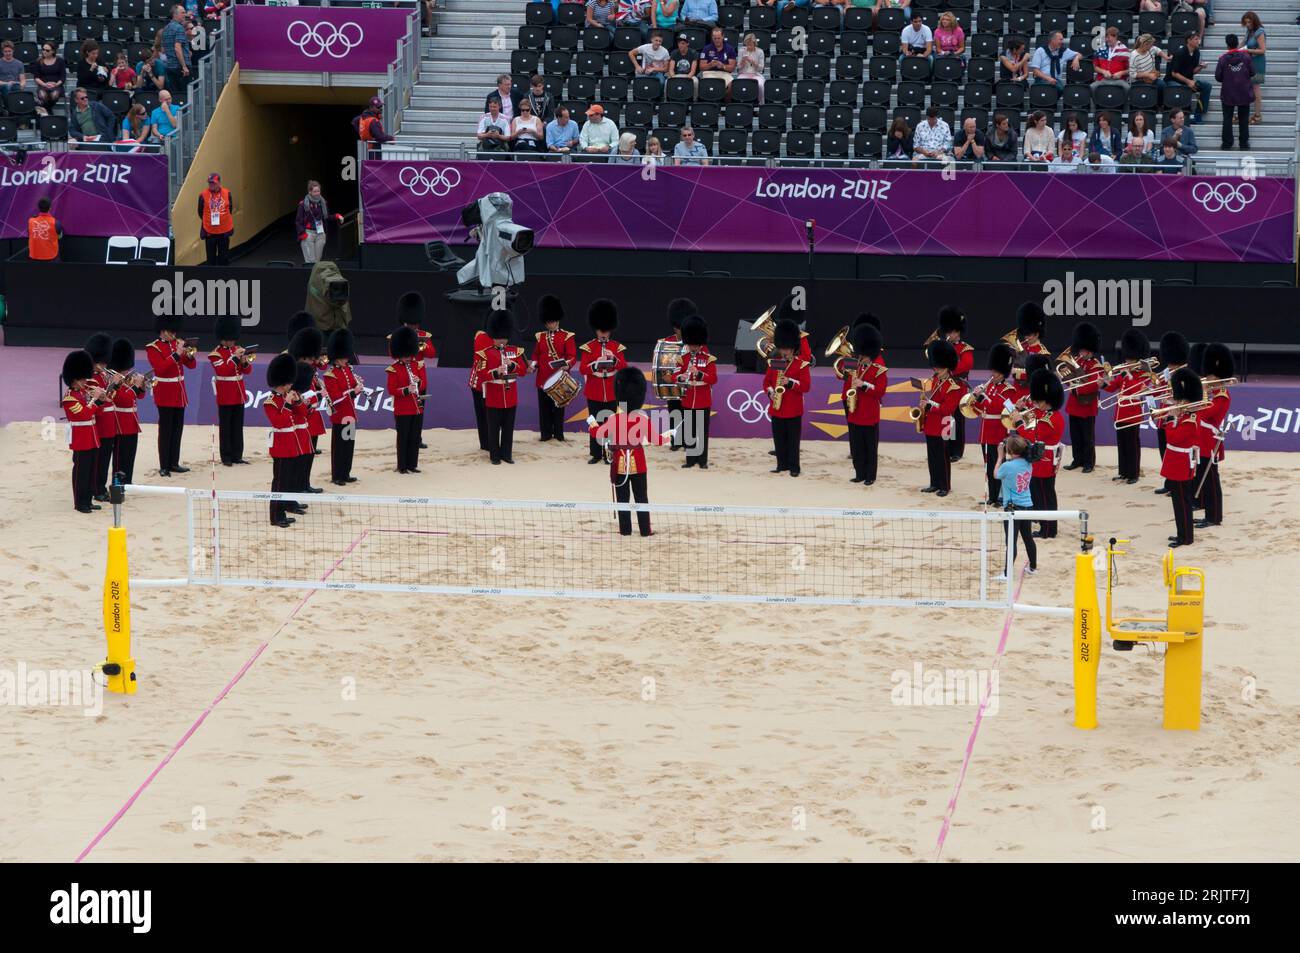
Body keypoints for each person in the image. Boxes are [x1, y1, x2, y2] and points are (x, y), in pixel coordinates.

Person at [589, 367, 675, 537]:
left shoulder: (614, 419)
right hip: (639, 464)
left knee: (623, 500)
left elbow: (598, 434)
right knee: (641, 498)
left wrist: (592, 423)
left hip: (619, 464)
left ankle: (625, 530)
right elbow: (656, 440)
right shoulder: (642, 419)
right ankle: (645, 530)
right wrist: (670, 436)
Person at [1014, 368, 1065, 539]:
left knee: (1045, 496)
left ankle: (1049, 529)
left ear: (1048, 400)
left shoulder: (1052, 418)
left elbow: (1033, 436)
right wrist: (1021, 406)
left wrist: (1019, 423)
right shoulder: (1043, 412)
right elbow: (1034, 412)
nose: (1036, 403)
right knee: (1038, 493)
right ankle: (1042, 521)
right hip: (1038, 459)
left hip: (1044, 460)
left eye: (1039, 400)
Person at [476, 310, 530, 465]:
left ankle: (507, 454)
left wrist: (512, 365)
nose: (502, 341)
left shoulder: (514, 351)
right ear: (493, 337)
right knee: (493, 429)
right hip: (494, 396)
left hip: (510, 396)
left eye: (504, 337)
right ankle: (494, 456)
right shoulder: (484, 354)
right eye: (499, 337)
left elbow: (523, 372)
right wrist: (495, 372)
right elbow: (481, 374)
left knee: (508, 428)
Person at [146, 314, 195, 477]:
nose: (173, 334)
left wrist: (188, 354)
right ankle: (164, 465)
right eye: (169, 331)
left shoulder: (177, 343)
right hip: (165, 391)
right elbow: (160, 369)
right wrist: (176, 354)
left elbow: (192, 366)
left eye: (174, 331)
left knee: (177, 429)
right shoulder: (153, 347)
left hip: (179, 391)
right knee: (166, 429)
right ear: (162, 331)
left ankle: (174, 462)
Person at [580, 299, 629, 463]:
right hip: (594, 391)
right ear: (596, 330)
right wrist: (595, 364)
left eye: (606, 331)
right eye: (601, 330)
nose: (603, 334)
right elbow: (583, 369)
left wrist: (613, 359)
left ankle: (610, 454)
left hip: (612, 391)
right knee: (595, 423)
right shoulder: (588, 347)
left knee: (611, 425)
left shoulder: (617, 347)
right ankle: (596, 453)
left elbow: (623, 367)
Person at [970, 343, 1018, 506]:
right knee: (988, 466)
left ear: (1003, 372)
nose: (993, 374)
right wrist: (974, 399)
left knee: (999, 465)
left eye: (997, 372)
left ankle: (1001, 496)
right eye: (993, 371)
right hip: (985, 431)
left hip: (998, 432)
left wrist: (983, 398)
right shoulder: (988, 386)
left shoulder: (1008, 390)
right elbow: (980, 409)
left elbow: (1001, 408)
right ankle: (992, 496)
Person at [1159, 368, 1203, 547]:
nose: (1177, 402)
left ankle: (1186, 537)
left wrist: (1171, 419)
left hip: (1181, 463)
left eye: (1179, 400)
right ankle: (1181, 533)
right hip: (1176, 462)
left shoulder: (1190, 419)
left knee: (1182, 502)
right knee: (1178, 501)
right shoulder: (1185, 415)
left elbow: (1174, 438)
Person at [838, 323, 887, 485]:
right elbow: (842, 374)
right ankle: (859, 473)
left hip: (869, 413)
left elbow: (880, 391)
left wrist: (863, 385)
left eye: (864, 355)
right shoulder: (855, 364)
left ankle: (870, 476)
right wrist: (844, 372)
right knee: (857, 446)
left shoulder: (879, 370)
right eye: (861, 354)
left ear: (870, 354)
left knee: (870, 448)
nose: (861, 357)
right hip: (854, 412)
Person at [764, 319, 811, 478]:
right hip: (777, 408)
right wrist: (771, 392)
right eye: (782, 349)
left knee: (793, 441)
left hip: (793, 409)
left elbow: (806, 386)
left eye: (787, 349)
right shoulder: (775, 363)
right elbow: (766, 382)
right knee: (779, 439)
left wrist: (790, 383)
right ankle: (781, 465)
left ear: (793, 349)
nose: (784, 352)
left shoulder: (801, 365)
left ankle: (794, 467)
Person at [1193, 343, 1233, 530]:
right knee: (1203, 478)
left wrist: (1200, 396)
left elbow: (1207, 413)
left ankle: (1215, 516)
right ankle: (1208, 513)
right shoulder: (1209, 392)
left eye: (1211, 376)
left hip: (1210, 441)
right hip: (1199, 439)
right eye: (1208, 375)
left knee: (1211, 481)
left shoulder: (1221, 395)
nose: (1208, 379)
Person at [1102, 330, 1150, 485]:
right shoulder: (1123, 373)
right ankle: (1123, 472)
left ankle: (1134, 473)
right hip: (1120, 413)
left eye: (1130, 360)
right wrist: (1103, 382)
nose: (1127, 362)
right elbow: (1112, 387)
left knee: (1132, 446)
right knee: (1122, 445)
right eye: (1127, 359)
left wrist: (1129, 376)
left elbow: (1137, 390)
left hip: (1133, 414)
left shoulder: (1143, 373)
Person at [62, 350, 107, 513]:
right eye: (82, 378)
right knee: (81, 471)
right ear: (74, 380)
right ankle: (80, 503)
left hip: (92, 436)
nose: (85, 381)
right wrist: (95, 399)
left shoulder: (83, 392)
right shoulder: (69, 398)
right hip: (81, 439)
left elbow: (97, 413)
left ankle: (87, 500)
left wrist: (101, 399)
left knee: (91, 470)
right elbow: (83, 415)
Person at [917, 340, 962, 496]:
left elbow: (948, 409)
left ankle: (945, 486)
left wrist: (930, 405)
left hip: (944, 423)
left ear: (947, 367)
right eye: (935, 366)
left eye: (939, 367)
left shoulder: (953, 386)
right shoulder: (935, 379)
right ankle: (934, 483)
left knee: (943, 457)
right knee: (932, 455)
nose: (935, 369)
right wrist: (926, 403)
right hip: (932, 423)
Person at [264, 353, 303, 528]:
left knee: (288, 480)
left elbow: (302, 414)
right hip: (281, 446)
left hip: (291, 443)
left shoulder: (286, 397)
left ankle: (284, 509)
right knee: (279, 481)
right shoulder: (271, 402)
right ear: (282, 383)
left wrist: (298, 401)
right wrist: (287, 404)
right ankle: (275, 515)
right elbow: (279, 422)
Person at [392, 292, 436, 449]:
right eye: (411, 323)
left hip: (419, 376)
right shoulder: (398, 335)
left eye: (415, 323)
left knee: (419, 410)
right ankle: (404, 437)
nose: (413, 326)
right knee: (404, 410)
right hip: (403, 376)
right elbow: (392, 354)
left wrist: (421, 344)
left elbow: (431, 354)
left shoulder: (424, 335)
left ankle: (416, 438)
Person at [209, 315, 254, 467]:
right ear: (223, 337)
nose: (233, 341)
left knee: (237, 426)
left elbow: (247, 371)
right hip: (225, 394)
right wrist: (235, 358)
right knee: (226, 427)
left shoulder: (237, 349)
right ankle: (226, 457)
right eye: (230, 338)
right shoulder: (215, 354)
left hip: (238, 393)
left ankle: (237, 455)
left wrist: (244, 362)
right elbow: (223, 370)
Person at [532, 294, 577, 442]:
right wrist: (533, 365)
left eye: (552, 321)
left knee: (559, 407)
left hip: (559, 378)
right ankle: (545, 434)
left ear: (557, 320)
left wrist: (567, 364)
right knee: (544, 408)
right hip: (543, 377)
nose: (550, 324)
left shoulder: (567, 336)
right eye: (548, 322)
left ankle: (558, 434)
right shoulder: (540, 337)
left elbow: (572, 356)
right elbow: (536, 355)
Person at [675, 315, 717, 468]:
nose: (692, 348)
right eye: (690, 345)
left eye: (694, 345)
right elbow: (675, 375)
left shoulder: (708, 358)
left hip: (703, 399)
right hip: (688, 398)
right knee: (690, 431)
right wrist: (681, 376)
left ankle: (702, 460)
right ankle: (691, 460)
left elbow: (713, 379)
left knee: (702, 432)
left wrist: (699, 374)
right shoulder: (684, 358)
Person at [288, 326, 326, 493]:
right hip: (302, 421)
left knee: (309, 456)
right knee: (300, 458)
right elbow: (299, 398)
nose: (313, 362)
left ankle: (304, 484)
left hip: (313, 420)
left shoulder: (310, 371)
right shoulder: (295, 373)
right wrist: (318, 395)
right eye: (309, 359)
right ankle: (298, 486)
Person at [323, 329, 363, 486]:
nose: (346, 359)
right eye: (343, 357)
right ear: (336, 358)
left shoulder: (348, 370)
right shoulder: (330, 375)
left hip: (350, 415)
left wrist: (358, 386)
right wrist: (354, 391)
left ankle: (346, 473)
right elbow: (336, 398)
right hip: (340, 416)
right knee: (339, 447)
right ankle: (337, 475)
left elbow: (352, 390)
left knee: (349, 445)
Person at [1152, 331, 1190, 496]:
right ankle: (1169, 482)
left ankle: (1176, 484)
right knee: (1164, 453)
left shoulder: (1185, 374)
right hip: (1163, 417)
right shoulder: (1165, 373)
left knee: (1174, 453)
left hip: (1175, 417)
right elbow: (1156, 391)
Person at [994, 434, 1037, 577]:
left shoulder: (1007, 466)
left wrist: (1000, 457)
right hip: (1027, 505)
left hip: (1012, 508)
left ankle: (1007, 574)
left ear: (1009, 450)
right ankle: (1033, 567)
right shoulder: (1028, 463)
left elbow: (996, 474)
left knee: (1011, 542)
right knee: (1027, 538)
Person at [84, 333, 119, 502]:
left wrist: (116, 384)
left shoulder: (104, 376)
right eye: (100, 363)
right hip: (100, 424)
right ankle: (96, 489)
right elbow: (96, 403)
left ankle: (101, 487)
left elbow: (111, 397)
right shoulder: (90, 380)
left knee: (105, 459)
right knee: (99, 460)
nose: (103, 366)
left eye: (105, 362)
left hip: (110, 423)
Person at [108, 338, 147, 486]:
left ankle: (127, 484)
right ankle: (118, 485)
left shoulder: (126, 378)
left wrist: (141, 386)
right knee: (120, 459)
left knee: (130, 456)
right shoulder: (113, 380)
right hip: (120, 424)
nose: (128, 370)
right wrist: (136, 387)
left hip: (132, 423)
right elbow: (123, 399)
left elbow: (139, 396)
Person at [1062, 322, 1101, 473]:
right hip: (1074, 404)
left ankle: (1088, 462)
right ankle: (1077, 459)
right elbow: (1069, 378)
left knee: (1087, 438)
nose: (1082, 352)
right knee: (1076, 435)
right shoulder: (1077, 361)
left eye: (1084, 349)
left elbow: (1092, 385)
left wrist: (1075, 389)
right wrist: (1066, 377)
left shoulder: (1095, 365)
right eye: (1082, 349)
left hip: (1087, 405)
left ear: (1090, 350)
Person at [386, 325, 425, 474]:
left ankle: (412, 464)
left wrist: (418, 382)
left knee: (414, 437)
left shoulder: (416, 365)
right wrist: (407, 389)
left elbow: (423, 383)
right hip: (402, 408)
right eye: (405, 355)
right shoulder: (393, 369)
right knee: (403, 438)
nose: (408, 358)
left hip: (416, 407)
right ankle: (402, 466)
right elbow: (392, 389)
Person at [938, 306, 973, 462]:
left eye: (951, 332)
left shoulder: (965, 348)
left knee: (957, 419)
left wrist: (948, 367)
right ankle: (946, 446)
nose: (949, 335)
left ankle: (957, 450)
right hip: (944, 387)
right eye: (947, 332)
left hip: (959, 388)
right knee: (946, 417)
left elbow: (965, 365)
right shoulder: (943, 346)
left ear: (958, 332)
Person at [659, 297, 691, 452]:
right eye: (678, 329)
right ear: (675, 328)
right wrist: (664, 374)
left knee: (688, 412)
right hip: (672, 386)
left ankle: (688, 441)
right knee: (674, 411)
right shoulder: (666, 342)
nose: (680, 332)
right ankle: (676, 440)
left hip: (689, 386)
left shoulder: (696, 343)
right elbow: (660, 364)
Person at [1216, 34, 1254, 151]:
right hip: (1244, 91)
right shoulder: (1246, 57)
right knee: (1243, 118)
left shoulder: (1223, 58)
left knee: (1227, 118)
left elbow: (1218, 76)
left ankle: (1227, 143)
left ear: (1227, 45)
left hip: (1228, 92)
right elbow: (1252, 72)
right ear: (1238, 43)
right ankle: (1243, 143)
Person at [1164, 31, 1210, 125]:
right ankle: (1181, 118)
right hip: (1173, 81)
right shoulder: (1180, 53)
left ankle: (1198, 116)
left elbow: (1192, 71)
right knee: (1181, 89)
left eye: (1198, 38)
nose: (1198, 41)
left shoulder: (1196, 52)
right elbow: (1174, 73)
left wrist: (1201, 66)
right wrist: (1188, 82)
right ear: (1189, 40)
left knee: (1206, 86)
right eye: (1196, 39)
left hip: (1186, 81)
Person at [295, 181, 343, 265]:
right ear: (309, 192)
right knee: (310, 262)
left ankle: (316, 277)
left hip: (320, 233)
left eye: (318, 191)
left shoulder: (323, 202)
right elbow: (298, 221)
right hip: (308, 233)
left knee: (317, 262)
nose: (317, 193)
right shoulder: (303, 204)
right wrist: (302, 234)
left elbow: (326, 217)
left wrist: (336, 216)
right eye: (315, 191)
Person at [197, 172, 233, 265]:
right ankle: (211, 278)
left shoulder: (227, 193)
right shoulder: (203, 195)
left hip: (224, 232)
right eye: (210, 183)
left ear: (219, 183)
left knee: (224, 258)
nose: (211, 185)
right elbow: (200, 212)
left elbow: (230, 209)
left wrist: (223, 218)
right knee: (210, 259)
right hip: (210, 232)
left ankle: (224, 278)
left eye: (213, 183)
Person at [1012, 301, 1048, 389]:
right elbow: (1015, 370)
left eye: (1028, 334)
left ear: (1037, 333)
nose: (1026, 337)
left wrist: (1020, 374)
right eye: (1025, 334)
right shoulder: (1022, 347)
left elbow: (1040, 377)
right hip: (1016, 391)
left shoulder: (1042, 353)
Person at [1240, 12, 1265, 126]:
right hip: (1249, 62)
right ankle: (1245, 114)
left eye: (1249, 22)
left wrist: (1248, 51)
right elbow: (1243, 42)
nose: (1247, 24)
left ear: (1254, 21)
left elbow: (1263, 50)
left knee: (1256, 89)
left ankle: (1258, 115)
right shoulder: (1249, 31)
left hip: (1257, 63)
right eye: (1246, 23)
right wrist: (1233, 50)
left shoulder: (1260, 32)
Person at [30, 42, 67, 115]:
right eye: (43, 49)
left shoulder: (60, 61)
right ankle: (49, 112)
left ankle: (46, 110)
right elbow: (36, 77)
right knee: (42, 95)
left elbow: (63, 77)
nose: (44, 52)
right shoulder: (38, 61)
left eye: (47, 50)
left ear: (53, 51)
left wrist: (56, 84)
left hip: (57, 86)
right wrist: (44, 84)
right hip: (43, 85)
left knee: (54, 95)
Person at [698, 26, 736, 96]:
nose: (717, 40)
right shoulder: (706, 48)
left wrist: (723, 66)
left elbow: (732, 68)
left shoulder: (730, 49)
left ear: (723, 37)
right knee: (709, 84)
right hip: (709, 72)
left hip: (724, 73)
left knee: (732, 84)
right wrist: (710, 65)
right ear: (712, 38)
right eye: (715, 38)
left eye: (718, 38)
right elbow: (701, 67)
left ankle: (726, 103)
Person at [1091, 26, 1129, 94]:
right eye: (1106, 37)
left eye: (1108, 37)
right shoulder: (1101, 49)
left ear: (1115, 37)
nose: (1106, 40)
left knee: (1127, 88)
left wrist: (1121, 73)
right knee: (1092, 87)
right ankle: (1095, 105)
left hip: (1119, 80)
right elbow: (1095, 67)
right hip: (1102, 79)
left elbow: (1130, 69)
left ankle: (1125, 105)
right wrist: (1103, 71)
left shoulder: (1124, 50)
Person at [163, 4, 192, 93]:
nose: (185, 14)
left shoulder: (166, 28)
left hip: (170, 66)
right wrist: (184, 66)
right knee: (185, 95)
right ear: (175, 15)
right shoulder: (179, 28)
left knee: (175, 96)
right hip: (180, 67)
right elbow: (177, 48)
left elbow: (164, 49)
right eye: (182, 13)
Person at [27, 197, 62, 262]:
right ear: (50, 208)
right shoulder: (56, 223)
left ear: (38, 208)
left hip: (34, 258)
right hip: (51, 258)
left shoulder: (30, 221)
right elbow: (60, 237)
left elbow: (29, 234)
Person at [736, 32, 766, 104]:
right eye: (747, 44)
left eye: (750, 45)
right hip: (743, 73)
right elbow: (738, 67)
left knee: (760, 85)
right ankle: (740, 102)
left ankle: (761, 104)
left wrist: (753, 62)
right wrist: (743, 61)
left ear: (754, 43)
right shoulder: (741, 50)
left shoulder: (760, 52)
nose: (748, 47)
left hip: (756, 74)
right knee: (737, 83)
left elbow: (761, 69)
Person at [668, 33, 699, 97]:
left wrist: (686, 79)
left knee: (695, 82)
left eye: (682, 43)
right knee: (667, 82)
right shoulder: (674, 53)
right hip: (676, 75)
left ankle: (694, 100)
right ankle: (667, 100)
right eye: (679, 43)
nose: (680, 45)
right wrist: (674, 78)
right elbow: (671, 69)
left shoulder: (693, 53)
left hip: (688, 75)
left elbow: (693, 71)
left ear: (687, 44)